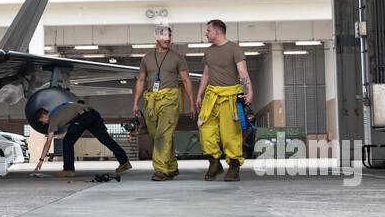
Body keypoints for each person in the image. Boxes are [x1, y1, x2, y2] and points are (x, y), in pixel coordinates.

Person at [194, 19, 252, 182]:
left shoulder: (234, 49)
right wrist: (199, 95)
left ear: (217, 31)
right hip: (211, 96)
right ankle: (214, 162)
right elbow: (206, 75)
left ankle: (234, 166)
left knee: (230, 133)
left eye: (208, 31)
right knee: (205, 129)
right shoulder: (209, 52)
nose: (206, 33)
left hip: (230, 96)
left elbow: (243, 72)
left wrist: (249, 91)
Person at [132, 25, 193, 181]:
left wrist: (192, 103)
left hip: (170, 99)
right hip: (152, 100)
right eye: (164, 35)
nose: (167, 39)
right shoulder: (146, 58)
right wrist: (135, 103)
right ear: (157, 37)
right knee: (156, 134)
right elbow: (141, 80)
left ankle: (161, 170)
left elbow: (186, 80)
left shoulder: (177, 58)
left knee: (162, 134)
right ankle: (171, 167)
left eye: (169, 36)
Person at [32, 99, 132, 179]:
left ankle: (68, 170)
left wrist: (41, 160)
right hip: (93, 114)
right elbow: (73, 127)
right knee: (105, 139)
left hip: (82, 118)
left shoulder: (52, 119)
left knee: (67, 141)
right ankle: (124, 162)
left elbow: (48, 143)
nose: (43, 123)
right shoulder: (59, 110)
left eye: (42, 121)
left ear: (44, 116)